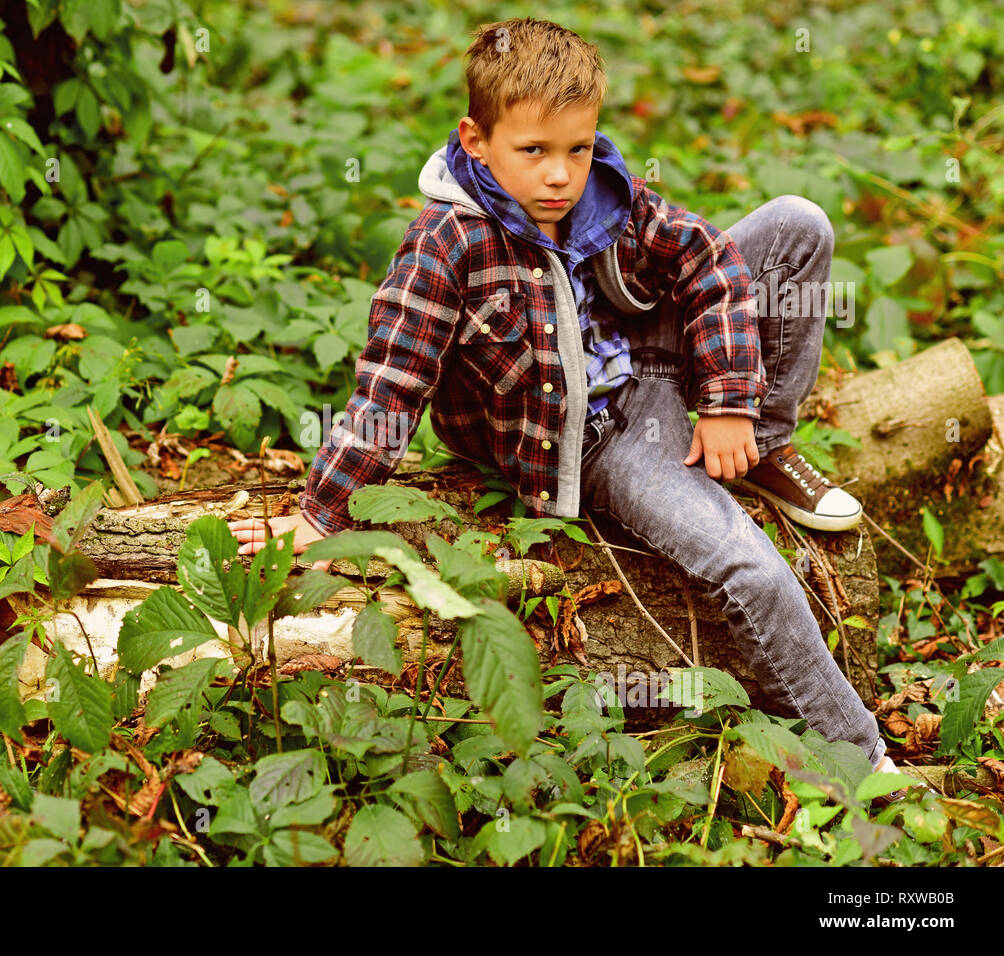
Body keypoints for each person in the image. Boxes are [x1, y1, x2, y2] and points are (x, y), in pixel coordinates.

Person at [230, 17, 902, 775]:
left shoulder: (600, 195)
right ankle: (865, 758)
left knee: (797, 225)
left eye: (577, 149)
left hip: (646, 355)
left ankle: (763, 445)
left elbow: (706, 259)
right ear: (475, 141)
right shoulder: (447, 244)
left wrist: (726, 398)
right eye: (535, 152)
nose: (560, 175)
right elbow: (393, 379)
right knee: (749, 568)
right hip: (599, 435)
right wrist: (320, 513)